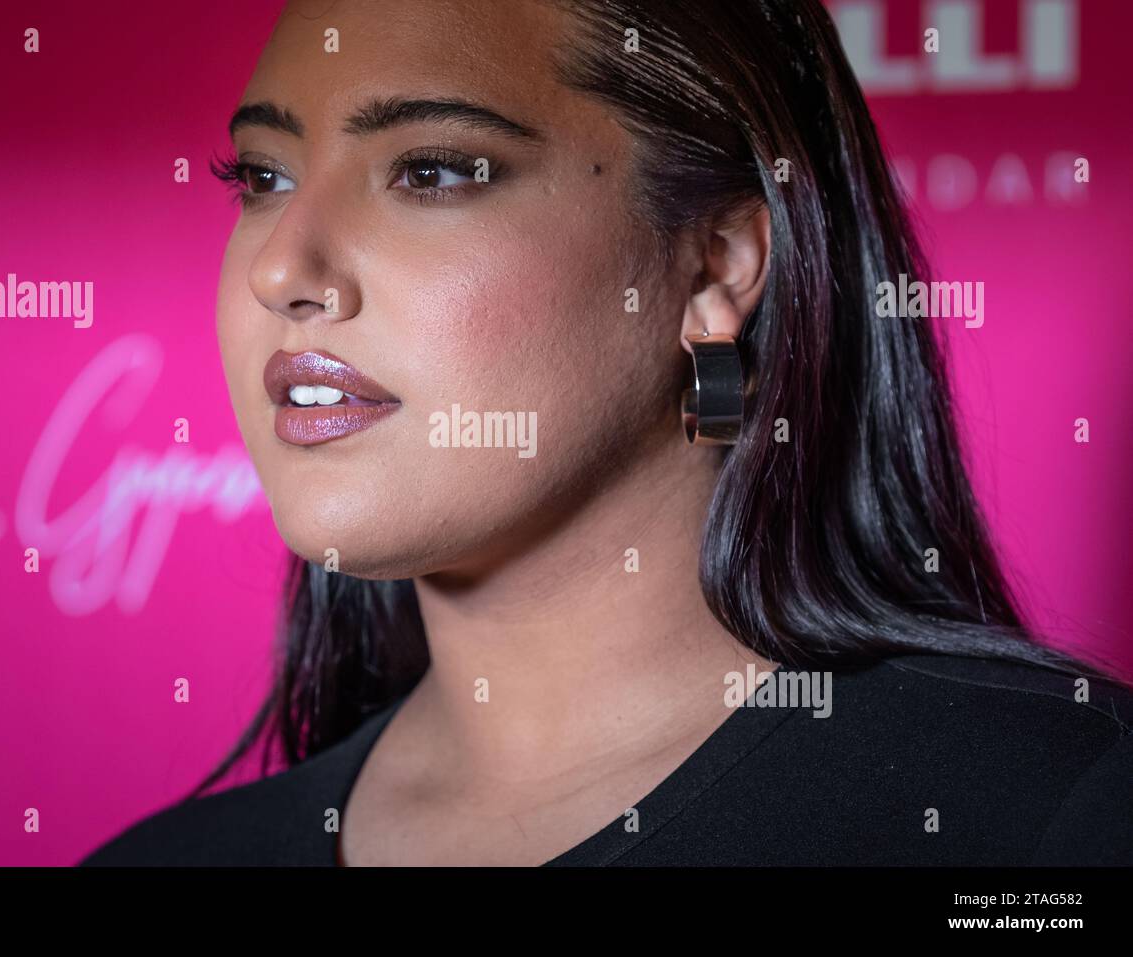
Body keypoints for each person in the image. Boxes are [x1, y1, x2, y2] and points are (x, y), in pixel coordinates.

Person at [80, 0, 1133, 867]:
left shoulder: (1057, 817)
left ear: (717, 264)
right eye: (262, 178)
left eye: (434, 171)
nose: (280, 271)